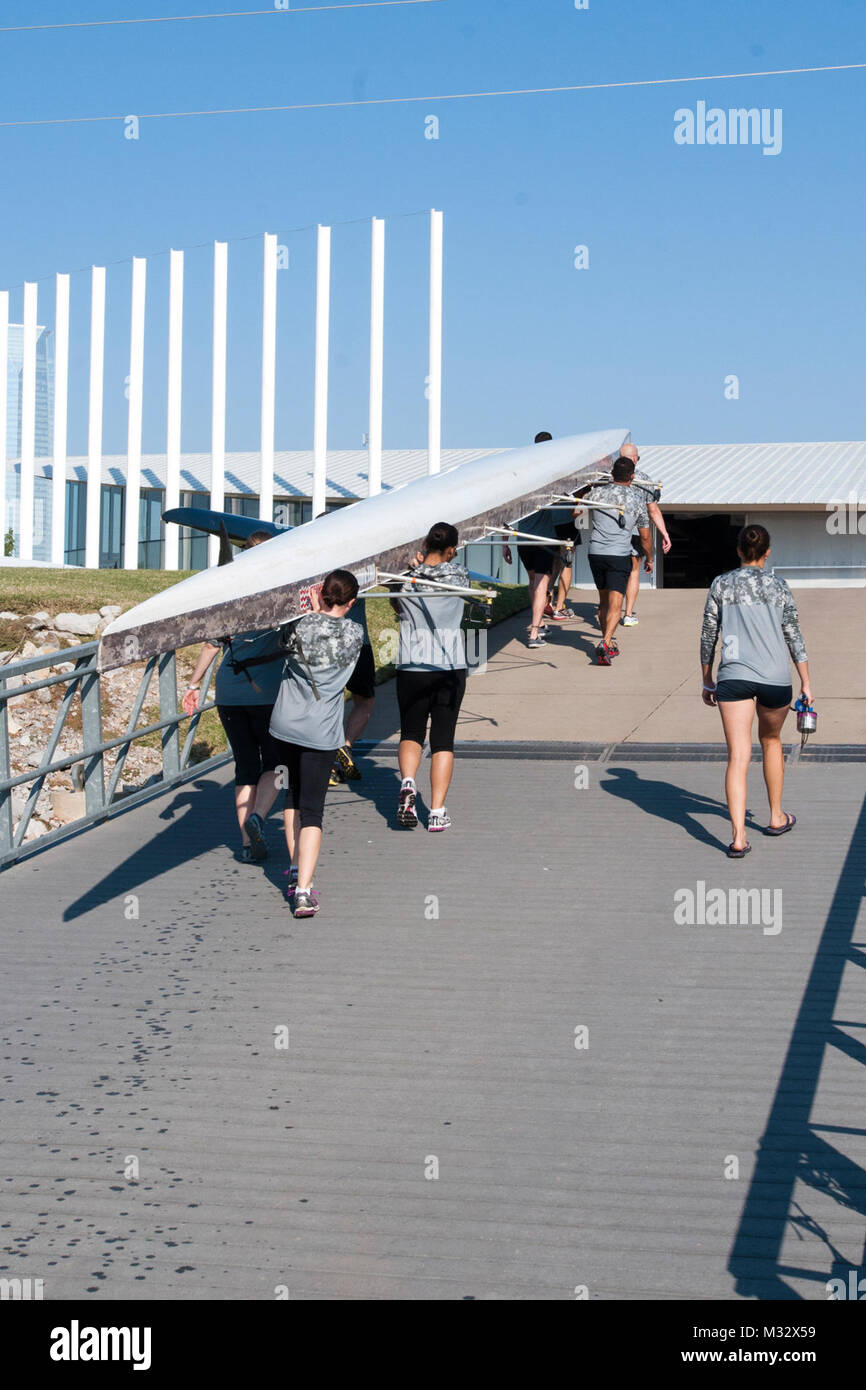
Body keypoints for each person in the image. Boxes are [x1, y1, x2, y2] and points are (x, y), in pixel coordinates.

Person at [700, 524, 811, 858]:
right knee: (771, 741)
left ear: (738, 551)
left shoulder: (721, 584)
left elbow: (709, 634)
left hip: (734, 676)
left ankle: (737, 837)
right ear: (767, 552)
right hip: (776, 678)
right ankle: (776, 816)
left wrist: (707, 678)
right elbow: (794, 634)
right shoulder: (778, 585)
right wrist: (806, 681)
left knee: (738, 756)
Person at [181, 531, 283, 863]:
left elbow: (211, 646)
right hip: (269, 694)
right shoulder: (282, 592)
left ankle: (245, 842)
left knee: (245, 766)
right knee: (277, 765)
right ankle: (258, 818)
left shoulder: (231, 596)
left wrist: (194, 685)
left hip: (230, 693)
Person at [269, 569, 364, 916]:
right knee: (314, 809)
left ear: (321, 594)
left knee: (291, 795)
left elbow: (284, 643)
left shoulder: (298, 626)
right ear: (351, 602)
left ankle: (294, 870)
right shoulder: (356, 632)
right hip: (321, 731)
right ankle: (304, 891)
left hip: (285, 725)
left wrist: (308, 612)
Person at [391, 522, 469, 831]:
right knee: (442, 739)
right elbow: (447, 568)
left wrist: (411, 570)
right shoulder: (460, 575)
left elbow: (396, 606)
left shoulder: (405, 578)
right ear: (452, 549)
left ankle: (408, 782)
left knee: (411, 731)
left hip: (411, 664)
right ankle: (436, 812)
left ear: (425, 543)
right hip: (448, 666)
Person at [582, 457, 652, 664]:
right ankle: (605, 641)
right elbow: (645, 536)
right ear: (632, 476)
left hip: (595, 552)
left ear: (612, 474)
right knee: (616, 602)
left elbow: (577, 510)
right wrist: (649, 557)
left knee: (603, 601)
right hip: (619, 554)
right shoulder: (637, 499)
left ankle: (609, 643)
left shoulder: (597, 493)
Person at [619, 441, 671, 627]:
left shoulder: (607, 478)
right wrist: (664, 533)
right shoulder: (644, 480)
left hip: (610, 533)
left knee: (615, 573)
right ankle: (628, 612)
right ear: (634, 459)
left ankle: (611, 609)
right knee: (633, 572)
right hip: (635, 532)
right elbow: (653, 511)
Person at [329, 596, 375, 786]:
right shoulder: (361, 568)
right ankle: (346, 745)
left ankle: (330, 766)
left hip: (327, 645)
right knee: (365, 702)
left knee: (328, 705)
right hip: (358, 644)